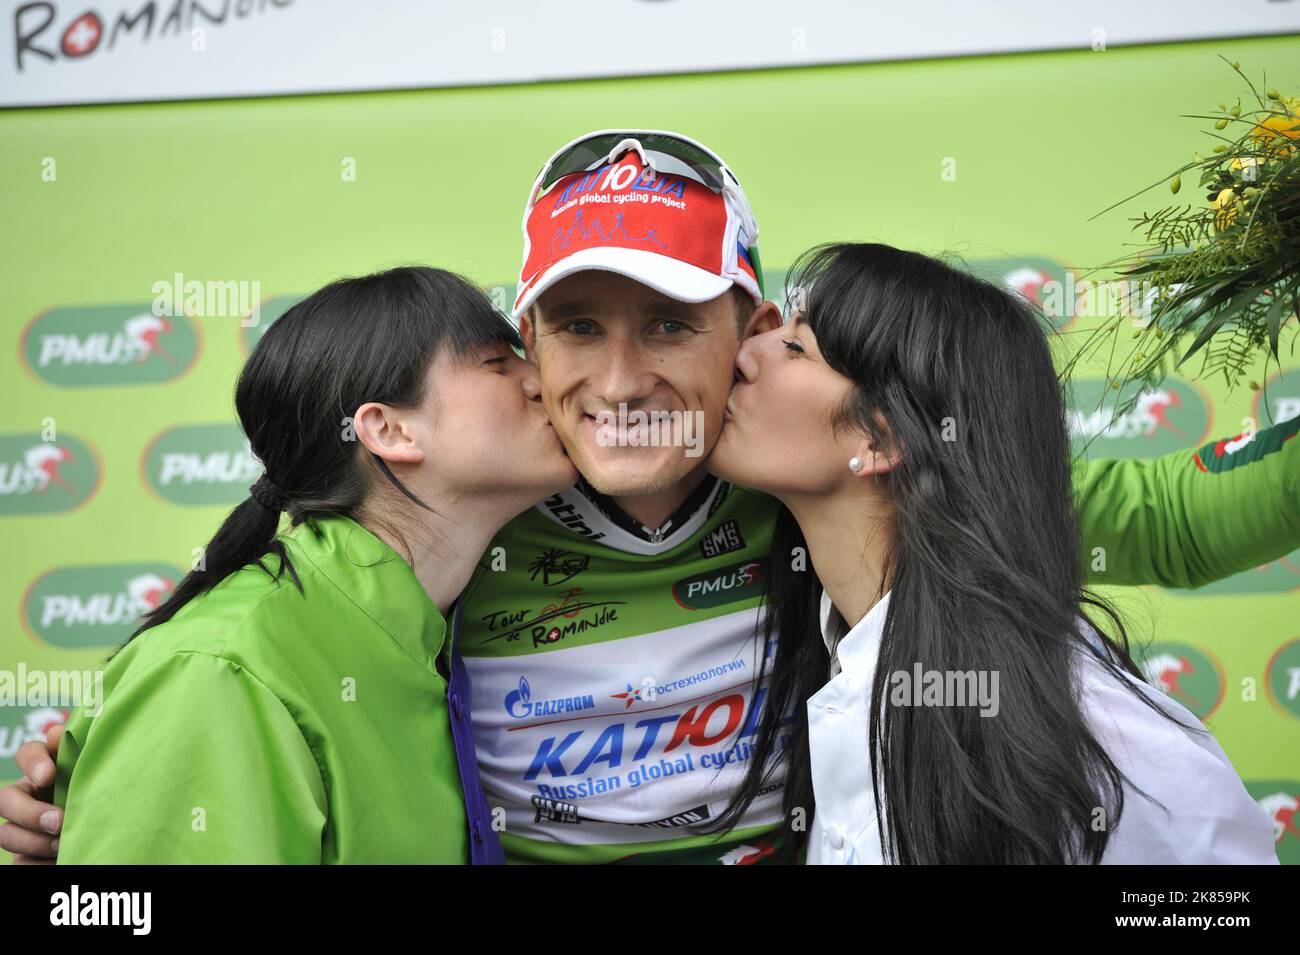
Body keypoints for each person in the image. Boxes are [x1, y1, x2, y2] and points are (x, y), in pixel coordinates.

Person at [5, 131, 1299, 865]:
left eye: (671, 322)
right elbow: (240, 648)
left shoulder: (816, 479)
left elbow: (1184, 520)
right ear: (527, 354)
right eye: (576, 326)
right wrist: (77, 782)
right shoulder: (465, 521)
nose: (622, 379)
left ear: (751, 326)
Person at [705, 241, 1281, 864]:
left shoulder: (1105, 741)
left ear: (879, 438)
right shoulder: (833, 660)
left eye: (794, 346)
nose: (743, 351)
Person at [15, 266, 575, 863]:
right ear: (388, 429)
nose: (543, 380)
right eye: (496, 362)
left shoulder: (439, 628)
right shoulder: (219, 670)